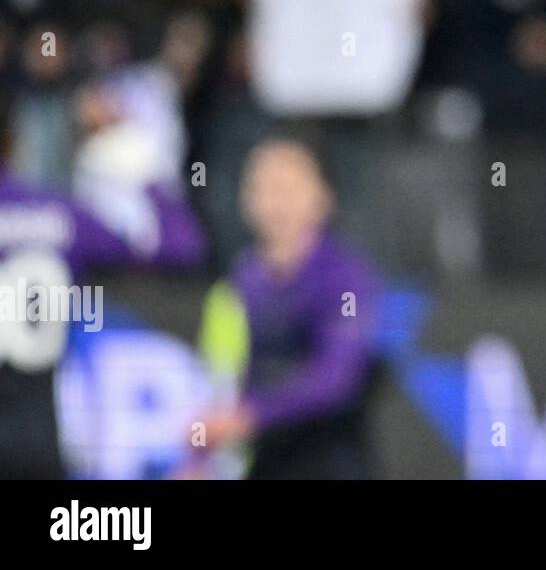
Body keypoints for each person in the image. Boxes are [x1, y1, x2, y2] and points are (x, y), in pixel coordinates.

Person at [0, 93, 205, 478]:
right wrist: (145, 172)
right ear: (15, 140)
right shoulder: (57, 213)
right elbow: (182, 247)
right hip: (38, 432)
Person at [195, 138, 381, 479]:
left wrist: (250, 416)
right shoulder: (240, 281)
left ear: (322, 198)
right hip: (265, 464)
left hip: (330, 463)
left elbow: (336, 379)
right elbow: (225, 381)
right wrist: (199, 462)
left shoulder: (346, 279)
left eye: (287, 188)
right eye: (261, 188)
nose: (274, 203)